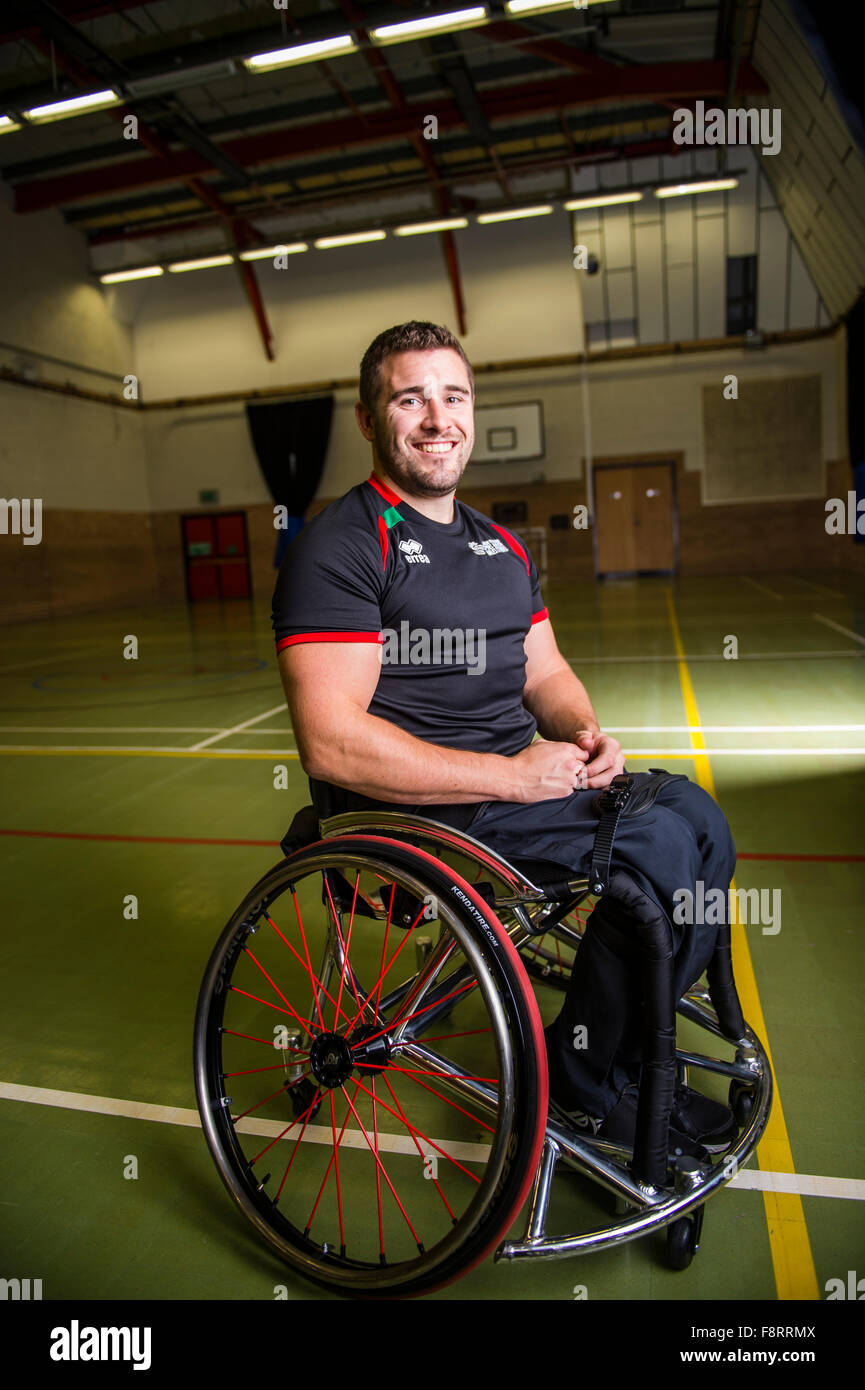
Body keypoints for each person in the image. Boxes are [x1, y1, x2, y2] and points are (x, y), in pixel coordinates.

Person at [272, 320, 737, 1157]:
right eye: (409, 397)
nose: (436, 417)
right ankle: (584, 1090)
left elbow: (545, 673)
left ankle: (621, 1061)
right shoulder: (340, 549)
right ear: (369, 418)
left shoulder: (502, 544)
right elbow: (331, 744)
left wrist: (583, 731)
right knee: (657, 859)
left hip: (515, 789)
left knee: (697, 820)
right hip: (424, 812)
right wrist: (513, 777)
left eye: (453, 396)